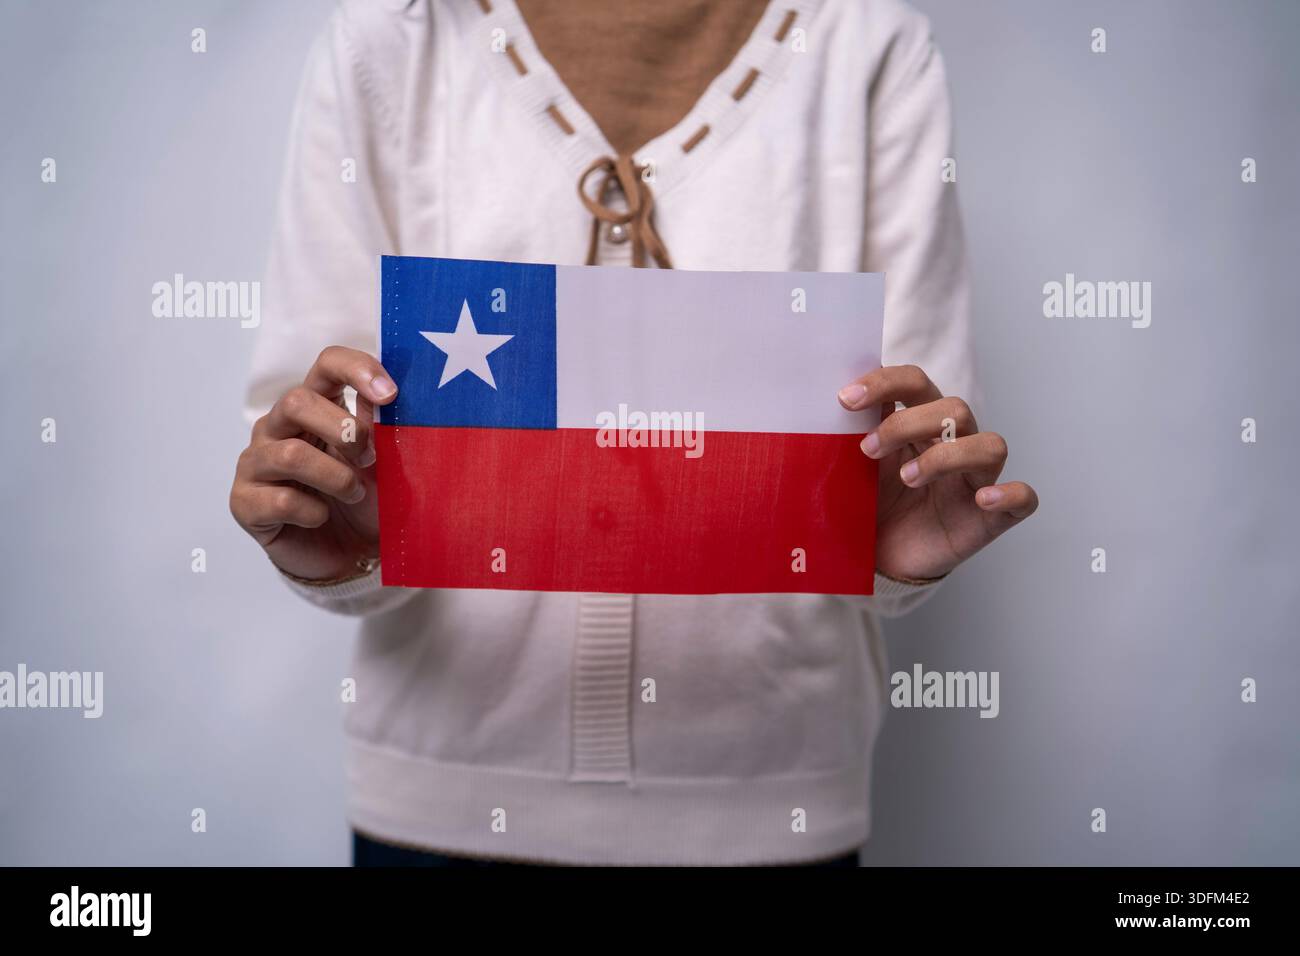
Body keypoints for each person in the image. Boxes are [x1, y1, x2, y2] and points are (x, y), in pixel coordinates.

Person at [229, 0, 1038, 867]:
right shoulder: (390, 39)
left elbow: (916, 450)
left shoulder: (869, 43)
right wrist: (341, 534)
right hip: (437, 810)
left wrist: (881, 544)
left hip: (774, 807)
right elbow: (310, 437)